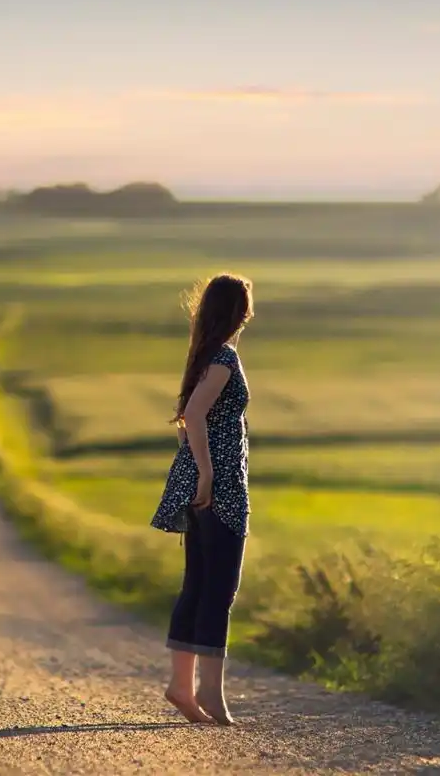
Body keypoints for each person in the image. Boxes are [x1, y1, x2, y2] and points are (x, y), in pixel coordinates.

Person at [150, 273, 254, 726]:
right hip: (222, 486)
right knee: (220, 588)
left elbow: (186, 420)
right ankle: (209, 691)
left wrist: (193, 471)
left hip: (201, 482)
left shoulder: (204, 356)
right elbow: (193, 416)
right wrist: (208, 474)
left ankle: (183, 685)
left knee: (197, 583)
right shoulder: (224, 358)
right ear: (240, 312)